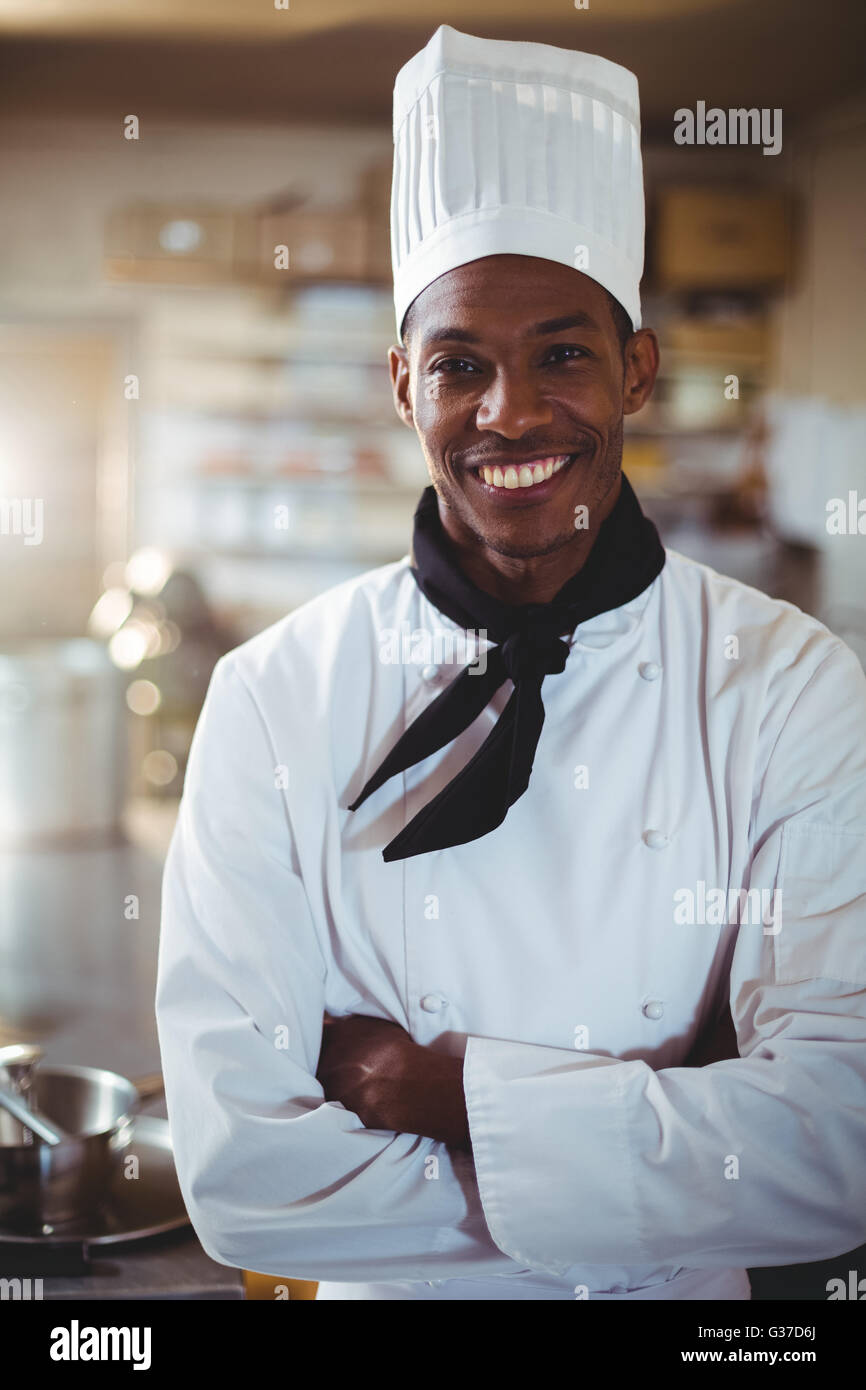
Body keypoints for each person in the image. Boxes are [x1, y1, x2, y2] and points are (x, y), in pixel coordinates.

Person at [155, 26, 866, 1301]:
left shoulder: (790, 688)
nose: (512, 414)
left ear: (637, 367)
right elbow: (243, 1183)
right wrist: (669, 1131)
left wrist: (419, 1089)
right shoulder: (274, 697)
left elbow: (834, 1154)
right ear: (399, 388)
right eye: (459, 366)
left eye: (562, 353)